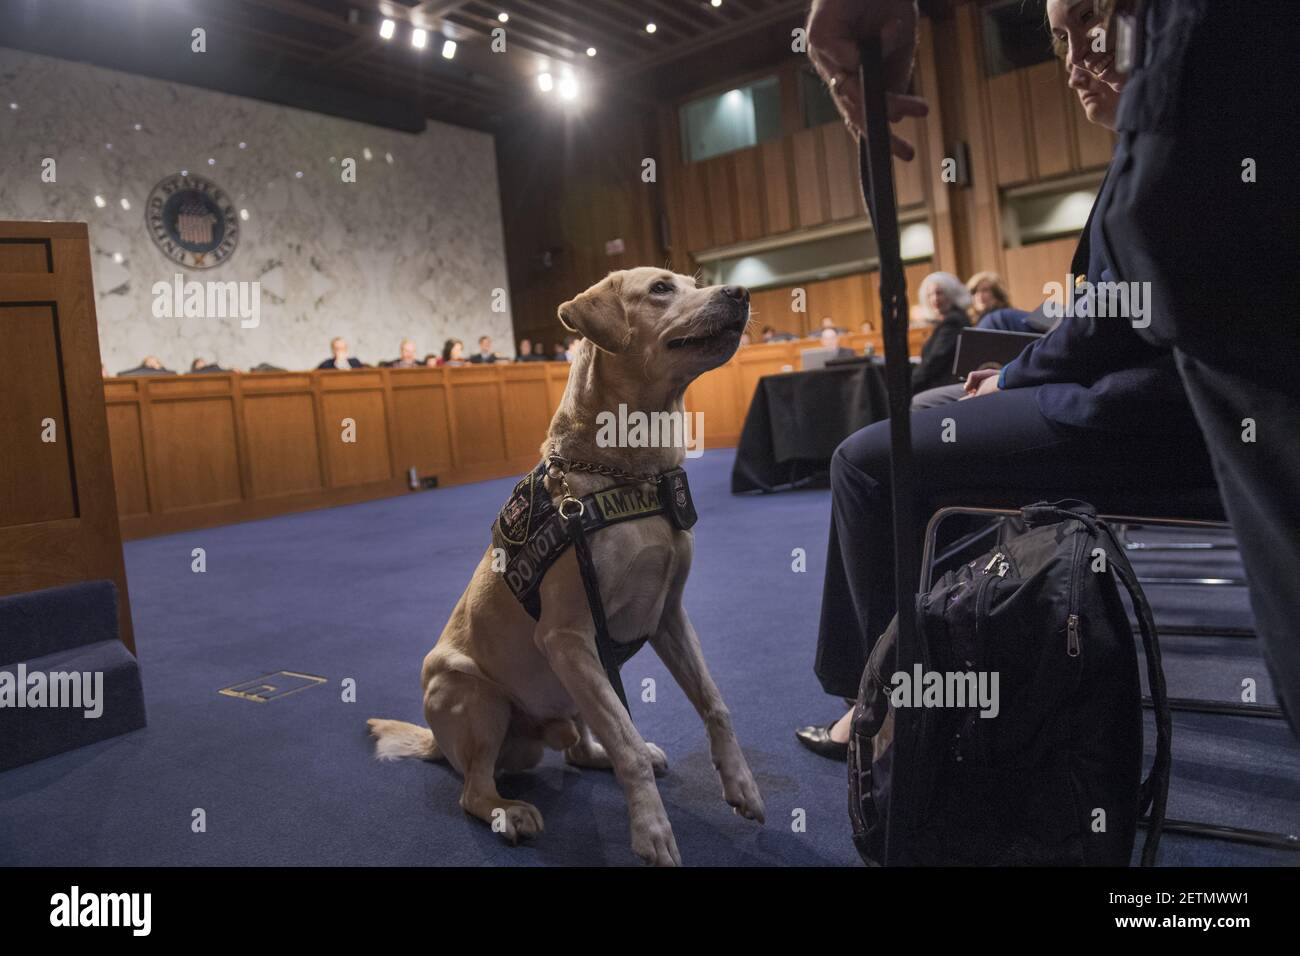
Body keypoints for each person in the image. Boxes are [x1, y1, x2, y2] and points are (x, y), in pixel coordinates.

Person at [795, 0, 1218, 757]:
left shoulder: (1185, 117)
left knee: (865, 463)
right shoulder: (1161, 125)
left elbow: (1118, 321)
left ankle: (883, 702)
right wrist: (1016, 367)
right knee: (933, 404)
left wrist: (1016, 376)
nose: (1072, 59)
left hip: (1154, 418)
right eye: (1056, 39)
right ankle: (953, 659)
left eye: (1087, 21)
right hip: (1138, 396)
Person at [908, 271, 969, 395]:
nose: (935, 298)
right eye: (930, 295)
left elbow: (935, 361)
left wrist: (908, 386)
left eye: (939, 293)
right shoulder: (950, 319)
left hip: (945, 386)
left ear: (951, 294)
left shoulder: (953, 321)